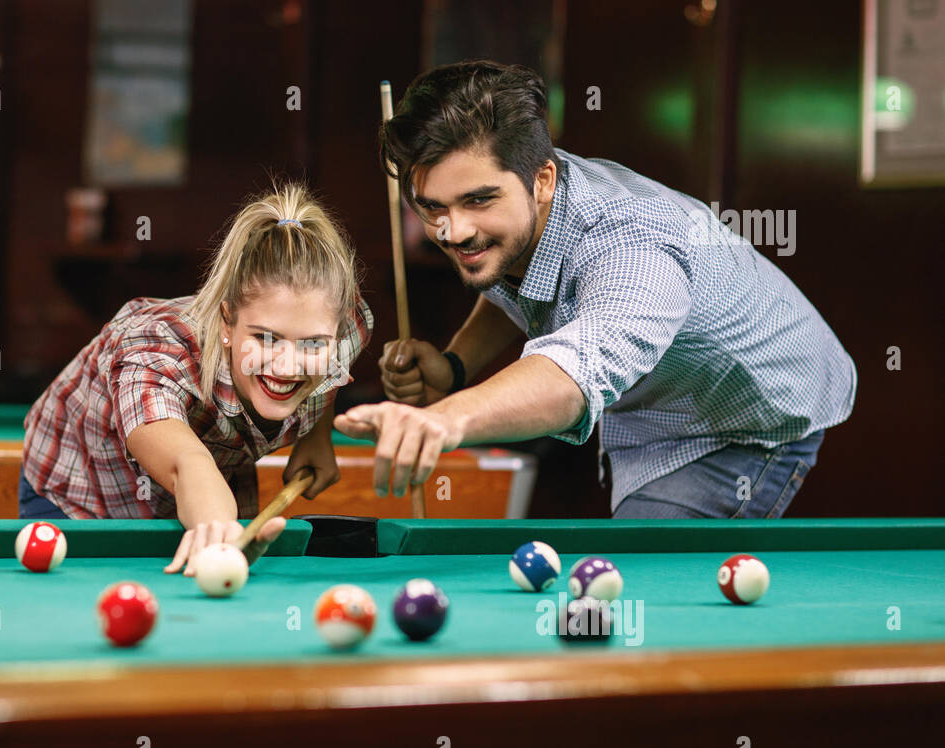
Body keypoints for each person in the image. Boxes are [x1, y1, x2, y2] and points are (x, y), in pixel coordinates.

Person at [336, 61, 855, 518]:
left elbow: (577, 369)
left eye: (478, 201)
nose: (455, 231)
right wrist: (454, 368)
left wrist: (446, 419)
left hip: (742, 419)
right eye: (432, 207)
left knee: (639, 599)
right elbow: (510, 281)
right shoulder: (512, 219)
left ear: (543, 180)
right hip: (654, 403)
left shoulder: (632, 244)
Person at [21, 183, 373, 570]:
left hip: (211, 487)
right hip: (82, 492)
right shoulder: (154, 350)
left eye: (312, 344)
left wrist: (316, 436)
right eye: (265, 338)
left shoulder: (349, 324)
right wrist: (218, 528)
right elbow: (186, 464)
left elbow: (328, 374)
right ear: (227, 321)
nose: (288, 366)